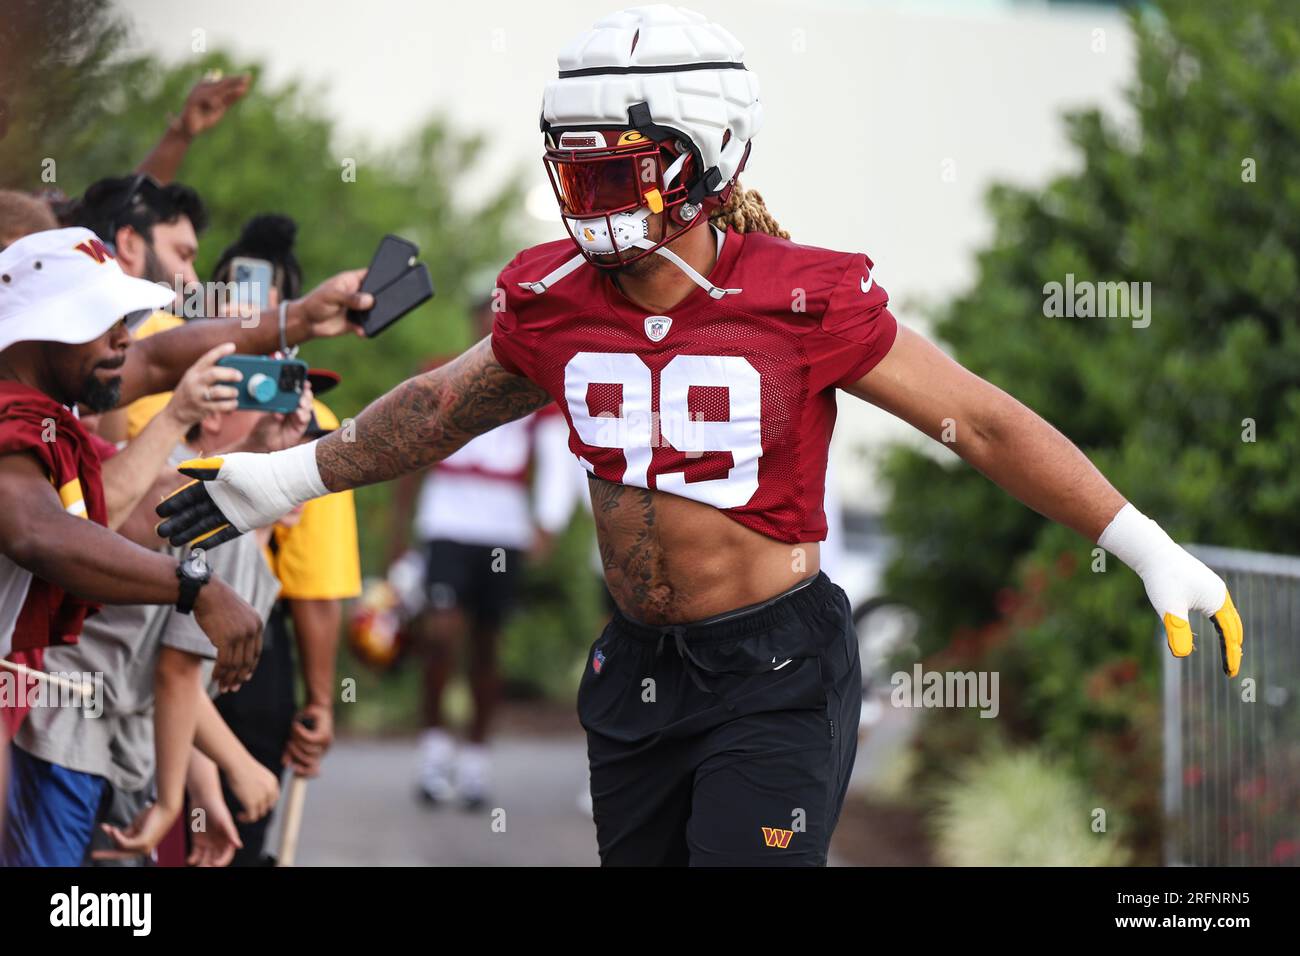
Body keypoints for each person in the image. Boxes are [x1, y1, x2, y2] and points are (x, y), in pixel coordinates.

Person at [157, 6, 1244, 867]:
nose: (588, 198)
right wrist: (283, 477)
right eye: (572, 168)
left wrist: (1140, 539)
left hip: (772, 666)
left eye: (615, 168)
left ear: (705, 155)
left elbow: (985, 423)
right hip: (634, 662)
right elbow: (436, 408)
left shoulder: (804, 296)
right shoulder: (551, 293)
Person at [390, 295, 571, 809]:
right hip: (447, 521)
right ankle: (433, 754)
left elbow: (557, 461)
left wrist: (547, 525)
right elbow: (405, 453)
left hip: (502, 528)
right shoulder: (439, 376)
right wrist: (398, 539)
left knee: (488, 645)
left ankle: (475, 762)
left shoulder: (535, 389)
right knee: (440, 633)